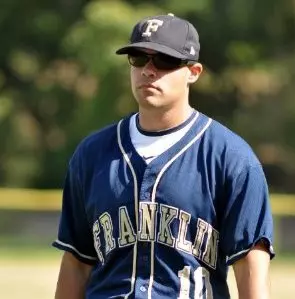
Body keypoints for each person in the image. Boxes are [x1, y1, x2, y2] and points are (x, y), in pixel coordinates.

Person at [53, 13, 275, 299]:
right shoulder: (92, 154)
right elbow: (77, 262)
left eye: (165, 60)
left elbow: (250, 267)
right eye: (138, 58)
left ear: (193, 72)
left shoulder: (232, 158)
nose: (149, 70)